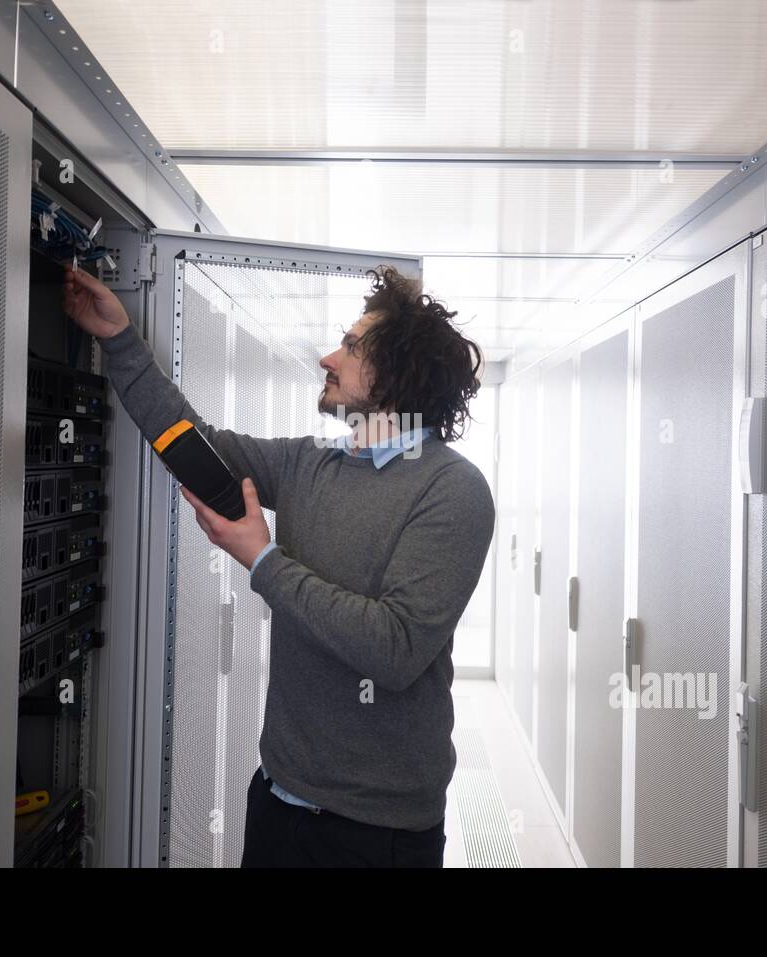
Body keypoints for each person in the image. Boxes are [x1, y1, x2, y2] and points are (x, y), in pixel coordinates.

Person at [62, 263, 495, 867]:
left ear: (394, 376)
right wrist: (118, 340)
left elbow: (394, 649)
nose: (327, 358)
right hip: (278, 798)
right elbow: (194, 446)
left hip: (378, 830)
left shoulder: (453, 490)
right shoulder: (309, 463)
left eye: (349, 346)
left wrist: (262, 559)